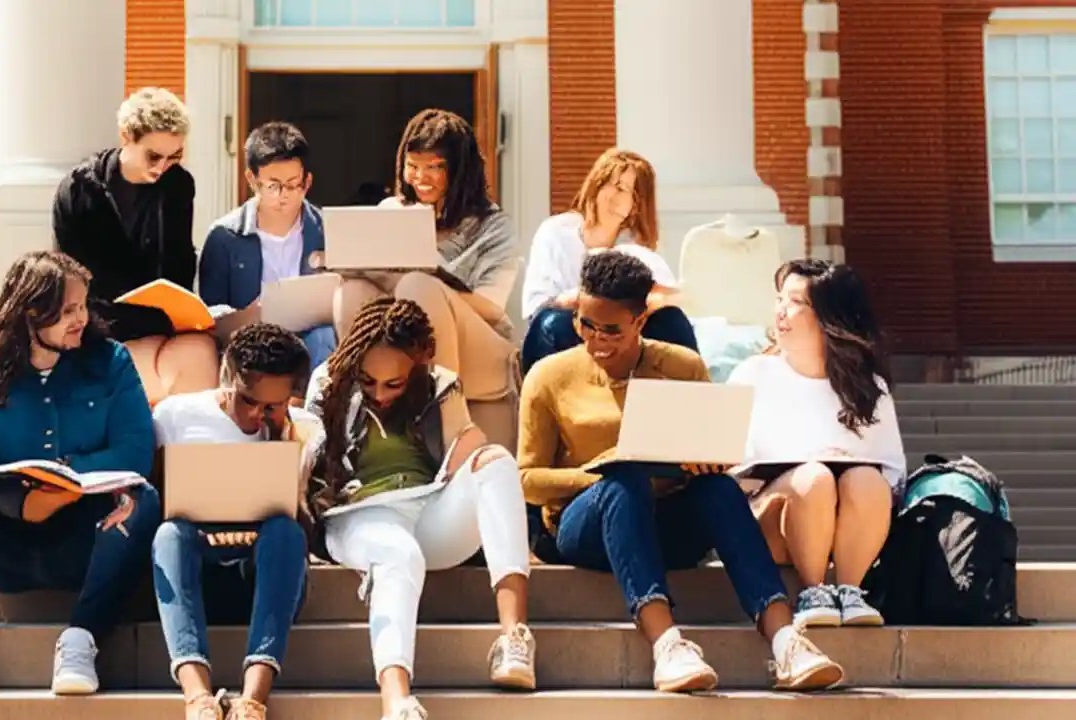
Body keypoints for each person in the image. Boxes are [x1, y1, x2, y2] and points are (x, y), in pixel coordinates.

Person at [518, 251, 843, 693]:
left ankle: (786, 639)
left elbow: (711, 451)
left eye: (611, 329)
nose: (596, 340)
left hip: (667, 519)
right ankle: (667, 644)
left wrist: (700, 462)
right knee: (624, 482)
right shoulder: (548, 375)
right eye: (585, 324)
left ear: (640, 320)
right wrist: (610, 467)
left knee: (717, 488)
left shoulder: (681, 366)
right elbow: (528, 480)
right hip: (585, 526)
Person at [0, 251, 160, 697]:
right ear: (29, 313)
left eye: (83, 306)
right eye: (67, 311)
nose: (81, 318)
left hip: (85, 538)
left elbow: (134, 451)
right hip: (0, 542)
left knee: (142, 497)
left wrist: (65, 479)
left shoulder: (111, 361)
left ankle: (82, 641)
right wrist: (19, 502)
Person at [305, 297, 534, 720]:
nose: (379, 393)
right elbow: (306, 460)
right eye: (368, 381)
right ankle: (397, 700)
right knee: (398, 553)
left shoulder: (440, 384)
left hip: (428, 509)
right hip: (358, 516)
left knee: (498, 462)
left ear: (418, 365)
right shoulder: (328, 381)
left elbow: (464, 446)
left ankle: (513, 638)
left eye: (394, 383)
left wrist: (475, 451)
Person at [151, 323, 321, 720]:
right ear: (226, 376)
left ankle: (253, 699)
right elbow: (160, 499)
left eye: (271, 406)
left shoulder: (300, 429)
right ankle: (198, 697)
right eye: (247, 401)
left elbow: (304, 531)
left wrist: (283, 438)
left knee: (284, 532)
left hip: (262, 577)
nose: (255, 414)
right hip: (196, 576)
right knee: (169, 535)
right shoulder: (176, 415)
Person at [728, 259, 904, 627]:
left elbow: (893, 472)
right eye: (780, 299)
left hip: (844, 517)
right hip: (772, 517)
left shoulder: (868, 386)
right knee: (814, 478)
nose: (781, 311)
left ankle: (850, 591)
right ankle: (813, 590)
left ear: (828, 316)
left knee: (867, 480)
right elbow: (728, 469)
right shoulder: (752, 374)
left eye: (796, 303)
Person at [332, 109, 518, 402]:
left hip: (481, 347)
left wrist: (420, 287)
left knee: (417, 285)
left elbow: (492, 307)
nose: (421, 178)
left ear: (459, 170)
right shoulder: (391, 211)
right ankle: (361, 400)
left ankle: (440, 408)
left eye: (435, 167)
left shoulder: (494, 225)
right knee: (353, 290)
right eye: (412, 166)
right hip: (404, 340)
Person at [54, 86, 219, 405]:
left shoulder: (177, 185)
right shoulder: (78, 191)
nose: (162, 167)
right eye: (154, 155)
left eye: (175, 156)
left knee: (200, 352)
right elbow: (74, 279)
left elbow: (180, 263)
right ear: (126, 136)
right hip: (96, 331)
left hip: (158, 327)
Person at [519, 148, 698, 376]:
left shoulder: (636, 249)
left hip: (623, 336)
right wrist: (589, 303)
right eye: (609, 183)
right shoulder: (556, 232)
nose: (613, 194)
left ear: (635, 206)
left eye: (625, 190)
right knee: (552, 322)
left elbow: (669, 297)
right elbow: (537, 306)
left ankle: (695, 400)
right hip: (569, 329)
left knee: (671, 320)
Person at [199, 121, 337, 370]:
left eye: (294, 184)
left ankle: (315, 408)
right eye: (273, 186)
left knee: (324, 336)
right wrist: (250, 315)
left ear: (307, 181)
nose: (284, 195)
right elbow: (209, 318)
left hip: (312, 344)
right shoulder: (225, 236)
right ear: (252, 179)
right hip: (251, 344)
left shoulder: (329, 231)